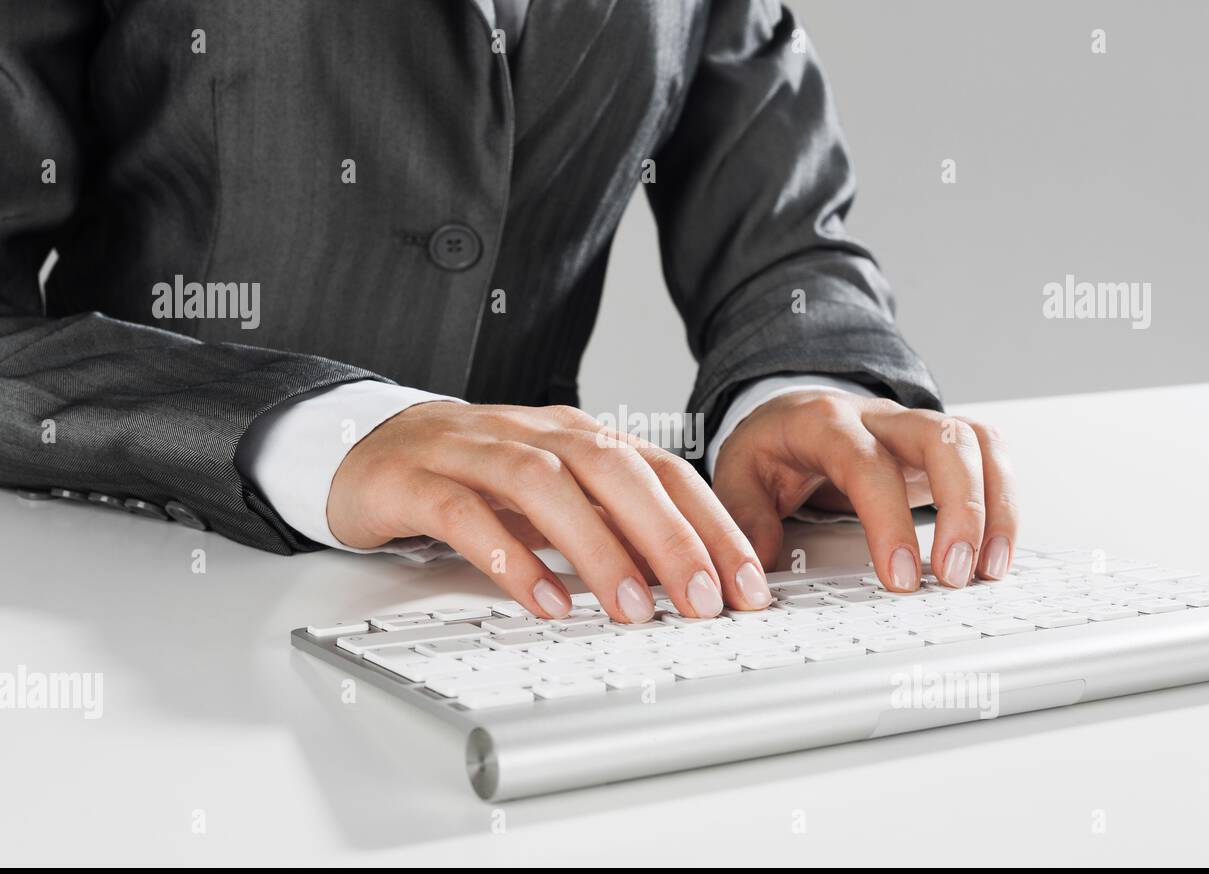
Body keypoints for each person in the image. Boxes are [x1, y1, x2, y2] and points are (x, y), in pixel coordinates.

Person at [0, 0, 1016, 625]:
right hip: (142, 595)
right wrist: (327, 430)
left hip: (527, 605)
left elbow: (781, 236)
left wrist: (806, 384)